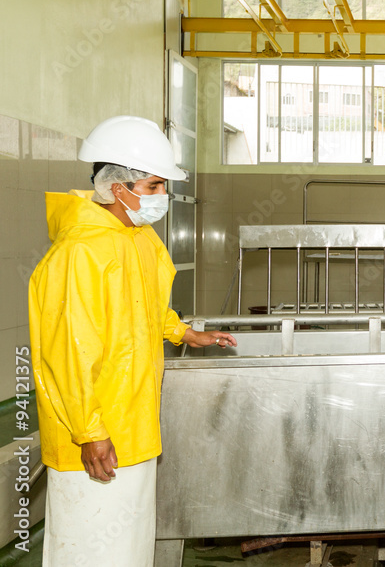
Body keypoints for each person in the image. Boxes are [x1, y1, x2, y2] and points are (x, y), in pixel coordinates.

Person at [29, 116, 237, 566]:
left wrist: (183, 332)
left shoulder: (138, 239)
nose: (163, 197)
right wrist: (89, 432)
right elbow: (67, 350)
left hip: (134, 427)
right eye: (154, 186)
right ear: (118, 188)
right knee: (90, 549)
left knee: (127, 550)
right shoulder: (79, 251)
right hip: (95, 435)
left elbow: (145, 306)